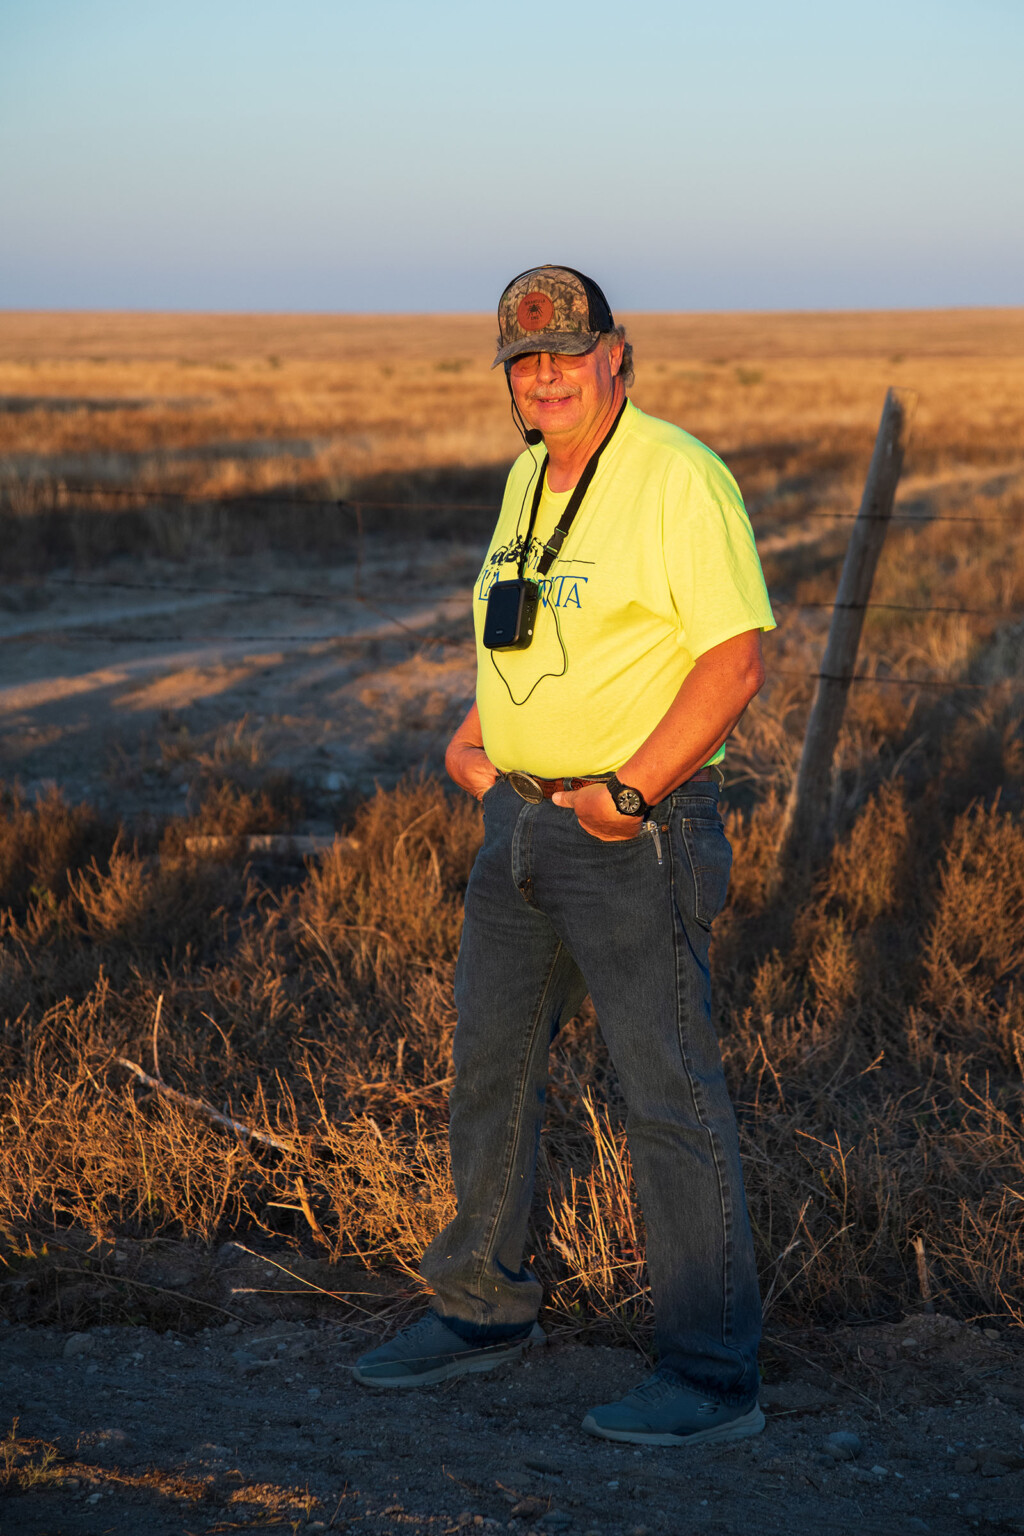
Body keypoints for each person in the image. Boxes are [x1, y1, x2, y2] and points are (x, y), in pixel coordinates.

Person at [353, 265, 776, 1447]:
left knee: (668, 1094)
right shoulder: (525, 478)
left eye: (566, 353)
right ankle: (483, 1309)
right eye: (523, 360)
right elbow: (528, 620)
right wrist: (480, 731)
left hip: (631, 833)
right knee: (488, 1069)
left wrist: (631, 793)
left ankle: (708, 1376)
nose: (544, 375)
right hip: (519, 825)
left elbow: (733, 661)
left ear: (616, 357)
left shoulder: (676, 477)